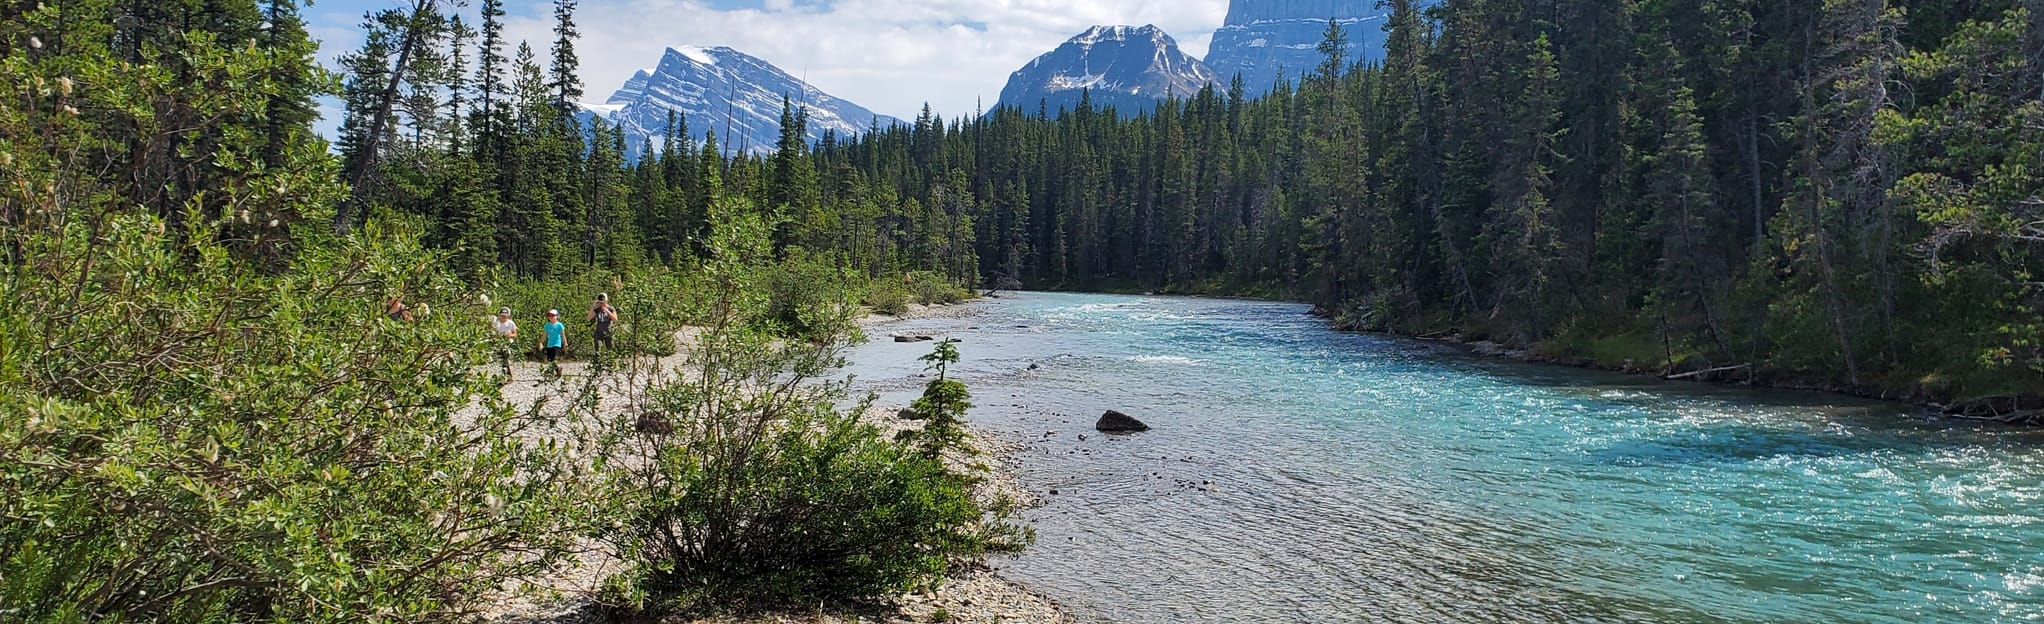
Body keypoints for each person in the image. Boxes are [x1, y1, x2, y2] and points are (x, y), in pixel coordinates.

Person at [491, 307, 518, 378]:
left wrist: (509, 335)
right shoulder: (496, 323)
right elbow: (493, 334)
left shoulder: (511, 323)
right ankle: (506, 375)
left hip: (508, 343)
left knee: (506, 358)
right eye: (502, 315)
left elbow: (515, 335)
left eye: (505, 316)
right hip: (498, 343)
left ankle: (506, 375)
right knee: (502, 360)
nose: (503, 317)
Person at [542, 309, 565, 375]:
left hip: (557, 344)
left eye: (553, 315)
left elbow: (563, 335)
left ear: (557, 316)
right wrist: (541, 343)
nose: (551, 317)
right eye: (549, 315)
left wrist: (565, 344)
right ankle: (558, 371)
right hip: (549, 345)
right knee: (550, 360)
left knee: (555, 359)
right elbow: (544, 335)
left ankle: (556, 370)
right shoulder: (547, 326)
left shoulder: (559, 325)